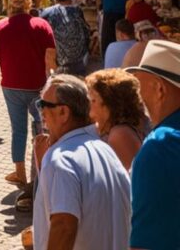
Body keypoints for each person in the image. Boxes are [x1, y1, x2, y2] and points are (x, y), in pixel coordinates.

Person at [31, 75, 132, 250]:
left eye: (43, 105)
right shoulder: (106, 151)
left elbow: (64, 226)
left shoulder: (61, 159)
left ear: (63, 112)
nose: (41, 113)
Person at [0, 0, 56, 187]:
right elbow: (51, 59)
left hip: (11, 86)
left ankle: (20, 173)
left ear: (6, 3)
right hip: (38, 87)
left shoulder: (0, 27)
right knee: (41, 129)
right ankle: (41, 171)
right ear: (29, 2)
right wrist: (53, 82)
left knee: (18, 130)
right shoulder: (41, 25)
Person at [125, 40, 180, 250]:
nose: (137, 96)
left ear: (159, 88)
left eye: (139, 84)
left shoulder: (159, 147)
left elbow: (146, 244)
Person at [85, 69, 145, 170]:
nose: (89, 107)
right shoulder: (112, 131)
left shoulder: (119, 134)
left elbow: (128, 181)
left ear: (110, 105)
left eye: (93, 100)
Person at [40, 0, 91, 76]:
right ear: (70, 0)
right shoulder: (77, 10)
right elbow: (86, 31)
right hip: (78, 59)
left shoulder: (46, 13)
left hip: (58, 61)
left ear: (55, 1)